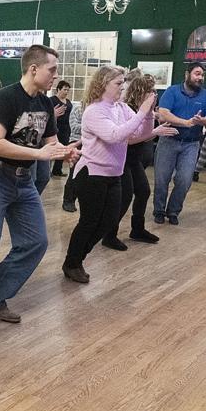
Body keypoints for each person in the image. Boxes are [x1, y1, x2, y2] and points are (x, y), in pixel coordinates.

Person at [0, 44, 77, 329]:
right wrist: (40, 155)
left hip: (23, 180)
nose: (55, 76)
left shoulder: (45, 103)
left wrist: (65, 151)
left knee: (35, 242)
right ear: (33, 69)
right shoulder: (7, 97)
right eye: (52, 70)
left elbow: (50, 143)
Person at [62, 66, 177, 283]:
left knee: (108, 222)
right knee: (89, 221)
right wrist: (142, 112)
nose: (122, 86)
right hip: (91, 174)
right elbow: (115, 135)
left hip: (114, 174)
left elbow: (141, 134)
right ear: (103, 84)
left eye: (123, 82)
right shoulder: (94, 110)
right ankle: (72, 262)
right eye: (117, 83)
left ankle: (78, 258)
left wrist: (149, 114)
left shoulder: (121, 107)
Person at [101, 74, 166, 250]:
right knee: (125, 196)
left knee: (143, 191)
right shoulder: (127, 108)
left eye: (154, 90)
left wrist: (150, 113)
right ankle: (109, 234)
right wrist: (154, 131)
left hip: (133, 159)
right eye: (150, 91)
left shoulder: (141, 109)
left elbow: (146, 133)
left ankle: (137, 229)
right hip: (121, 158)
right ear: (140, 91)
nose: (153, 94)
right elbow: (129, 139)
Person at [152, 62, 206, 225]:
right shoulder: (172, 91)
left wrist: (202, 120)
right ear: (187, 74)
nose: (200, 77)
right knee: (162, 178)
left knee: (185, 180)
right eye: (197, 73)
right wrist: (185, 123)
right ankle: (159, 210)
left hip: (191, 144)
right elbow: (164, 114)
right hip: (168, 141)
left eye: (202, 75)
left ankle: (173, 211)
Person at [62, 102, 84, 212]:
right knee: (74, 173)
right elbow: (74, 127)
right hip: (76, 142)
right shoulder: (78, 108)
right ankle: (68, 200)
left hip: (90, 143)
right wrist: (92, 124)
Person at [50, 80, 72, 177]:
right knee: (52, 148)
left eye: (68, 90)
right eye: (64, 89)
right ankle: (47, 170)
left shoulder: (68, 102)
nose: (66, 92)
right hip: (55, 127)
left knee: (63, 149)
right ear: (58, 89)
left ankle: (57, 170)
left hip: (66, 128)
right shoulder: (52, 100)